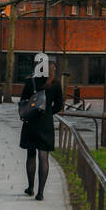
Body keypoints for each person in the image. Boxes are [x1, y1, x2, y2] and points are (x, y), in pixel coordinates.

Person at [18, 53, 64, 200]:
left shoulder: (30, 81)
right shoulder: (55, 84)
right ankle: (41, 193)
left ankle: (30, 188)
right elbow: (59, 106)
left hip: (31, 122)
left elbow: (23, 101)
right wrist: (49, 112)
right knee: (43, 156)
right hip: (46, 123)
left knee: (31, 155)